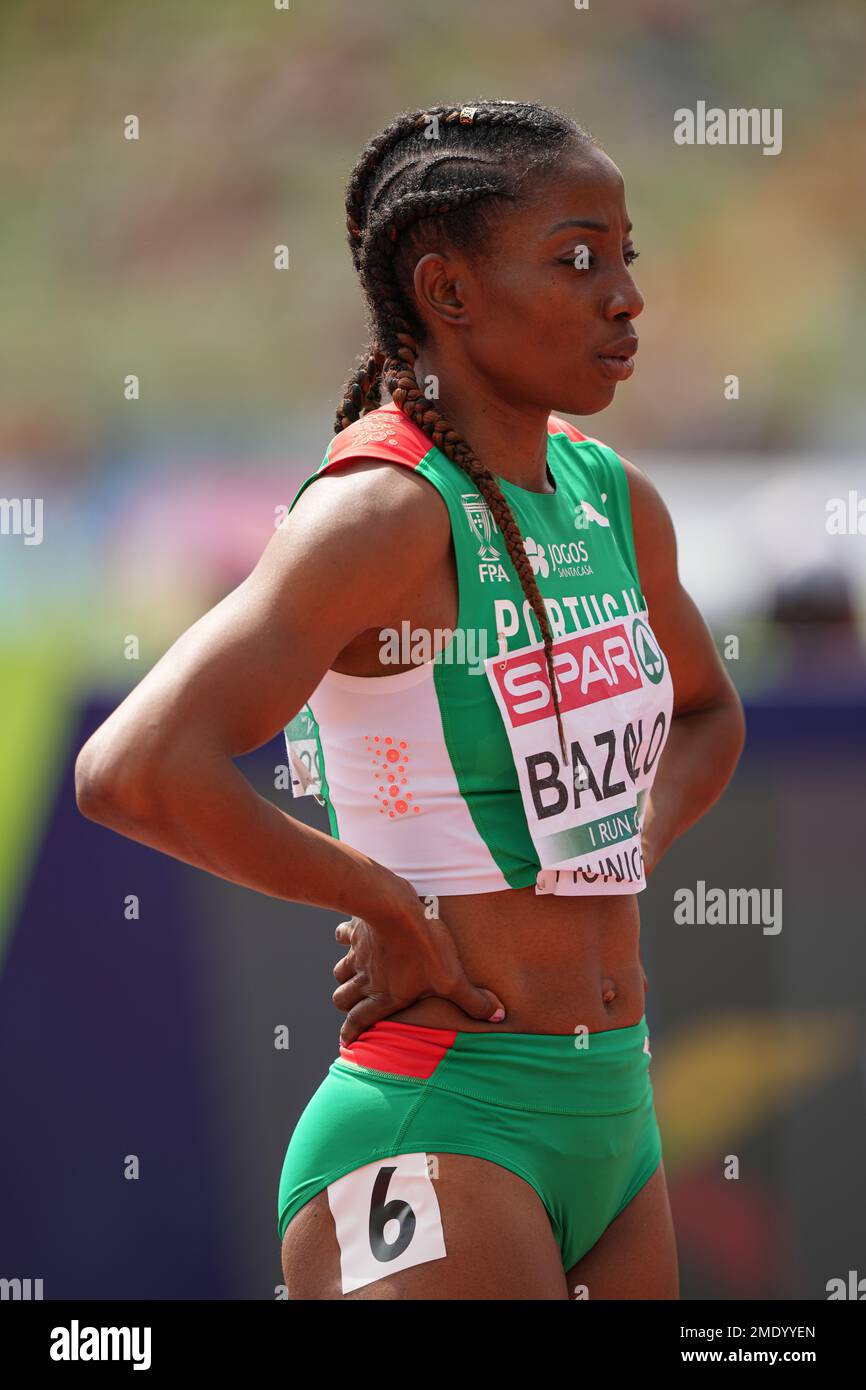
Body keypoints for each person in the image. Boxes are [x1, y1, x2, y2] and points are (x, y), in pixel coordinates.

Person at [75, 99, 745, 1301]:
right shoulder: (380, 514)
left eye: (625, 257)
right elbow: (133, 769)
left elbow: (706, 715)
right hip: (443, 1118)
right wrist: (377, 899)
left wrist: (631, 839)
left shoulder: (611, 500)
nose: (625, 297)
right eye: (577, 258)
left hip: (613, 1112)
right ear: (447, 291)